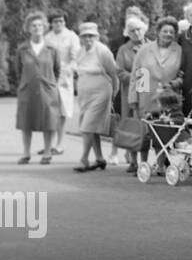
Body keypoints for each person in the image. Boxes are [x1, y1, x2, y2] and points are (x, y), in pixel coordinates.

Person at [128, 17, 185, 175]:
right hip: (147, 96)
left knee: (164, 131)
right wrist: (134, 98)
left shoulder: (179, 50)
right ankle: (143, 165)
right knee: (145, 132)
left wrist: (174, 84)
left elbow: (181, 74)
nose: (168, 34)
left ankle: (160, 165)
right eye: (164, 31)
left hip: (168, 99)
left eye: (171, 32)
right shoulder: (145, 50)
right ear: (158, 32)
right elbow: (138, 74)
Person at [15, 11, 62, 164]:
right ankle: (26, 153)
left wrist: (50, 84)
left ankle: (47, 152)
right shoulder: (22, 49)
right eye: (33, 25)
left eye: (40, 25)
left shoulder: (52, 49)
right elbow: (17, 70)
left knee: (49, 121)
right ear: (28, 28)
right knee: (26, 122)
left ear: (45, 27)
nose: (37, 28)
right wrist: (25, 83)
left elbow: (57, 70)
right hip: (27, 90)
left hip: (47, 90)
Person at [72, 22, 118, 171]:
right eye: (85, 36)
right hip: (85, 95)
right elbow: (77, 73)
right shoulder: (80, 52)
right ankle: (99, 158)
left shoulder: (103, 52)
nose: (88, 39)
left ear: (97, 36)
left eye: (91, 36)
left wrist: (113, 96)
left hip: (101, 93)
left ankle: (84, 159)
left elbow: (114, 75)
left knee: (87, 126)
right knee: (92, 127)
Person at [44, 11, 81, 155]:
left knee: (63, 112)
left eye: (61, 21)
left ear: (65, 22)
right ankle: (50, 143)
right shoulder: (47, 38)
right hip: (49, 77)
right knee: (50, 112)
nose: (58, 23)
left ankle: (59, 144)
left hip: (65, 77)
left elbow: (75, 57)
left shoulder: (71, 36)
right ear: (51, 23)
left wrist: (68, 70)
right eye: (55, 21)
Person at [114, 16, 149, 171]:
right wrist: (137, 77)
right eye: (132, 30)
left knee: (146, 126)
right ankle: (133, 161)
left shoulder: (151, 46)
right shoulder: (123, 50)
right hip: (129, 93)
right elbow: (119, 71)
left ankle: (145, 161)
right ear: (127, 33)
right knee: (131, 126)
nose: (136, 33)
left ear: (144, 30)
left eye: (138, 29)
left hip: (148, 93)